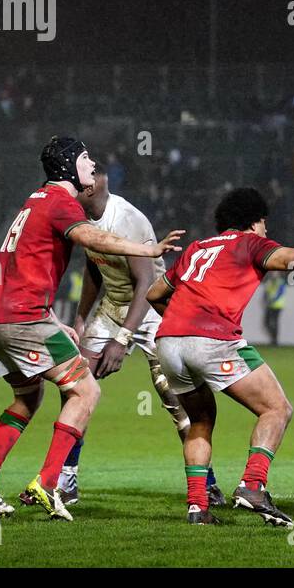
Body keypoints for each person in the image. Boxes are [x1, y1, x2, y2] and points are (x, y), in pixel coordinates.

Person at [0, 136, 183, 521]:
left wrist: (54, 322)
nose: (93, 165)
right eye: (86, 159)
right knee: (86, 390)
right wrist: (147, 249)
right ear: (69, 166)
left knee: (27, 399)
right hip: (20, 319)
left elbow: (25, 270)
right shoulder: (62, 202)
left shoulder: (34, 200)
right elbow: (90, 236)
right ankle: (50, 484)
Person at [146, 188, 294, 526]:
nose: (266, 232)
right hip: (211, 339)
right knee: (277, 408)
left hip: (168, 341)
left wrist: (181, 323)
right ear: (253, 222)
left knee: (200, 422)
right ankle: (252, 485)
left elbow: (154, 293)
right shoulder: (249, 244)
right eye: (264, 224)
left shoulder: (197, 249)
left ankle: (198, 507)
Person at [59, 173, 223, 507]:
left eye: (78, 184)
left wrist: (120, 341)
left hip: (152, 309)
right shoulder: (84, 219)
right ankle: (66, 480)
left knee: (177, 402)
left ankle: (208, 484)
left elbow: (146, 282)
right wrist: (81, 316)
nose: (72, 188)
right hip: (112, 307)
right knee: (75, 386)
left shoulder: (126, 220)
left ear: (89, 189)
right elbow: (93, 268)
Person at [262, 273, 286, 347]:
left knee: (274, 323)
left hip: (277, 306)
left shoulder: (280, 282)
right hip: (269, 305)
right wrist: (266, 300)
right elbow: (265, 293)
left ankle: (275, 341)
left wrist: (273, 300)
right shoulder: (269, 282)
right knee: (267, 323)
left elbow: (281, 292)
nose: (274, 275)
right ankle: (273, 339)